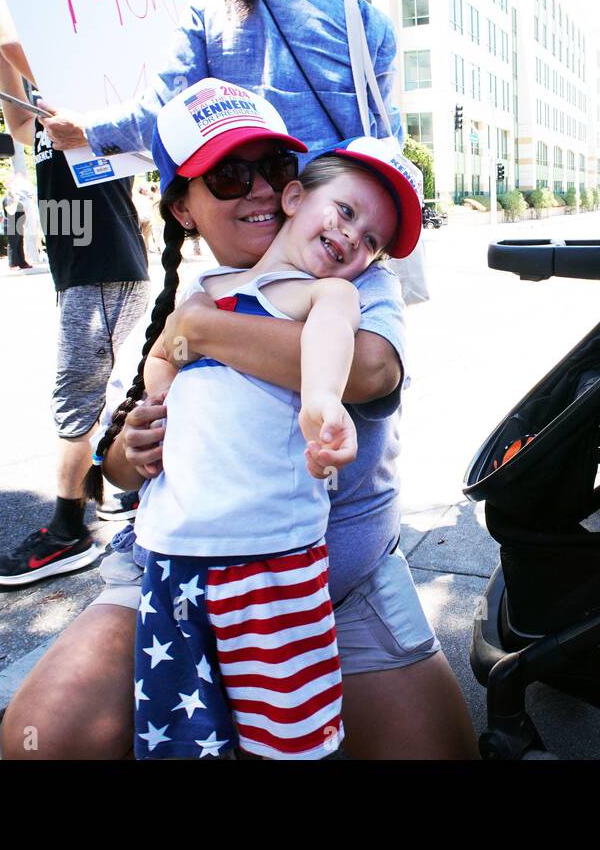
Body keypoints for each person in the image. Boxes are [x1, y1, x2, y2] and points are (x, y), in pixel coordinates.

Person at [94, 83, 423, 760]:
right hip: (176, 560)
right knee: (169, 738)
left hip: (292, 575)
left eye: (275, 168)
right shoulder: (197, 296)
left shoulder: (340, 283)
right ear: (183, 207)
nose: (261, 192)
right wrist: (141, 432)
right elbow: (122, 461)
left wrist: (309, 396)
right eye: (230, 176)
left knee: (299, 740)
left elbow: (365, 369)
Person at [0, 0, 152, 588]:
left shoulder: (87, 105)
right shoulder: (50, 118)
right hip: (84, 269)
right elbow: (19, 122)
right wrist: (0, 55)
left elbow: (18, 44)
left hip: (103, 266)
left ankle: (67, 531)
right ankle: (111, 486)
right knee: (100, 389)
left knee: (76, 395)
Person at [38, 0, 400, 162]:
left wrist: (88, 131)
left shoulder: (215, 2)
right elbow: (387, 138)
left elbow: (164, 114)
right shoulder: (369, 23)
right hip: (336, 234)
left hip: (249, 229)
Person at [3, 194, 31, 269]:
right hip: (11, 224)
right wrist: (15, 201)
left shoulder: (18, 199)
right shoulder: (8, 199)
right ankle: (12, 264)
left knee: (19, 244)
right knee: (13, 245)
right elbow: (11, 211)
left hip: (18, 224)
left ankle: (22, 263)